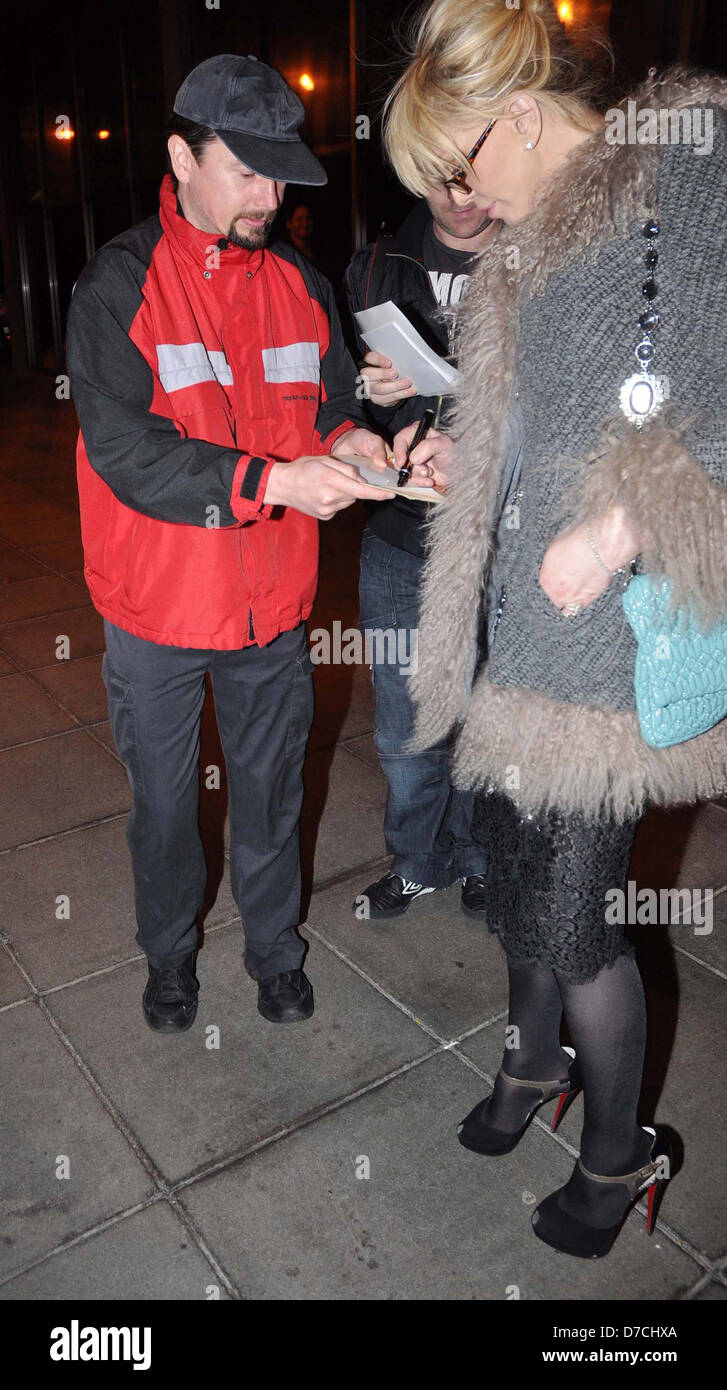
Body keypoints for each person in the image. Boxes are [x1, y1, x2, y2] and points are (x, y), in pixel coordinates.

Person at [383, 0, 727, 1257]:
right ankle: (534, 1062)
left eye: (460, 164)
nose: (459, 200)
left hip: (608, 644)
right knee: (517, 894)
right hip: (513, 631)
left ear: (520, 116)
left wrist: (622, 525)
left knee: (577, 924)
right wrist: (459, 461)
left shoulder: (687, 170)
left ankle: (623, 1153)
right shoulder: (523, 251)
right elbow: (539, 424)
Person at [66, 53, 419, 1033]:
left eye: (281, 177)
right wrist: (274, 482)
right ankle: (169, 958)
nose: (270, 198)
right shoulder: (117, 285)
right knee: (166, 808)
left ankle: (275, 954)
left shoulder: (299, 283)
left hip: (271, 604)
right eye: (247, 173)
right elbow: (128, 452)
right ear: (181, 158)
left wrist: (352, 444)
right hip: (159, 605)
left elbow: (333, 403)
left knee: (269, 795)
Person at [344, 186, 496, 921]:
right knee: (403, 725)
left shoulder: (542, 254)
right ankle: (416, 860)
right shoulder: (375, 265)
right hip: (402, 529)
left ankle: (482, 858)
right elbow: (335, 395)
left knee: (486, 711)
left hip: (498, 530)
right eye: (439, 175)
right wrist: (366, 392)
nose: (458, 194)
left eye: (469, 172)